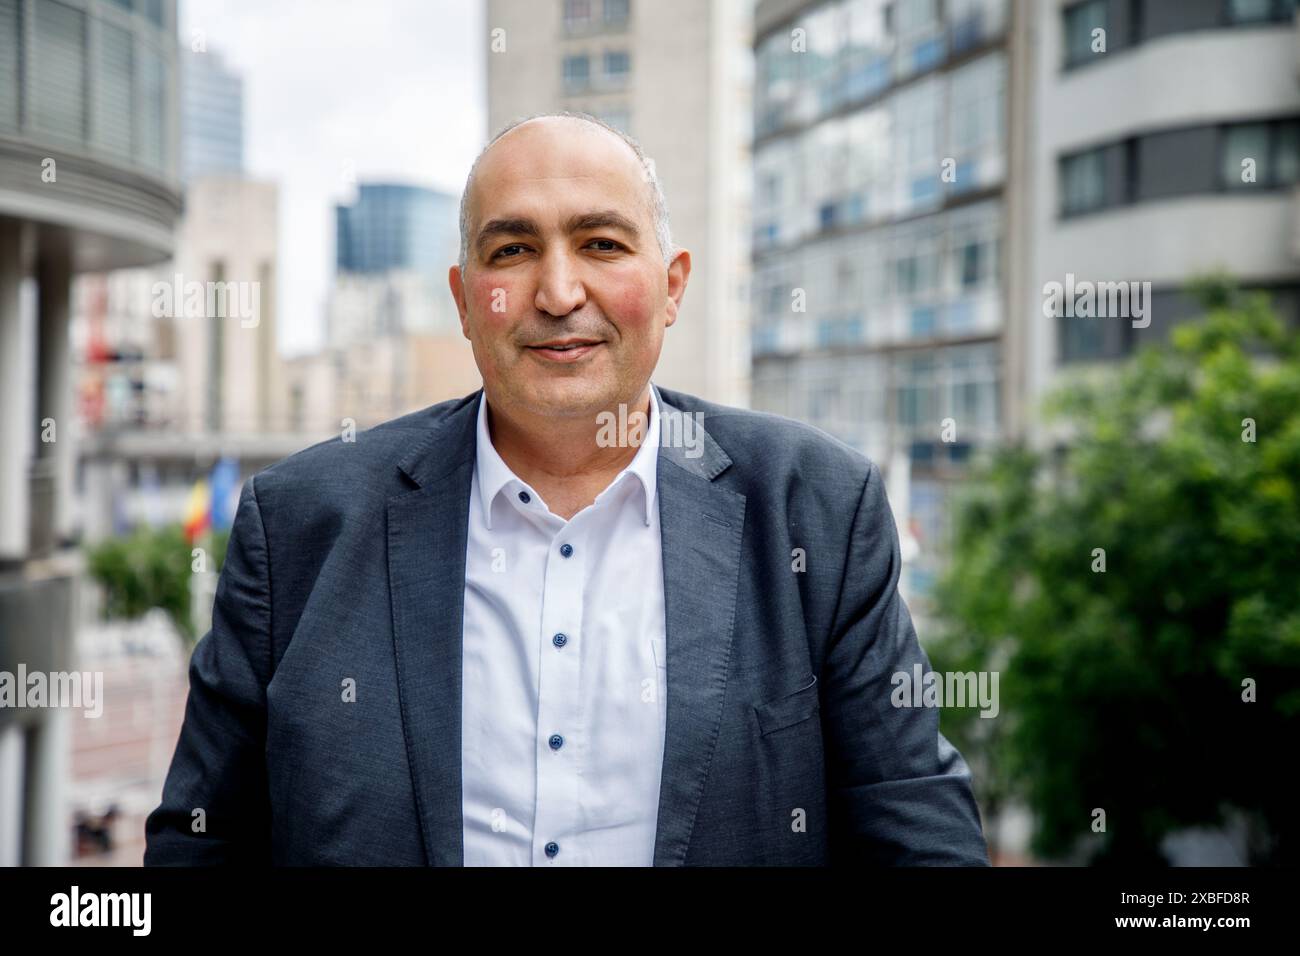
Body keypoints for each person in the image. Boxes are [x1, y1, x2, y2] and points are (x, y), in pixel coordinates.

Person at [144, 112, 989, 866]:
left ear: (672, 286)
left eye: (602, 244)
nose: (557, 292)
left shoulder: (817, 510)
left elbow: (915, 830)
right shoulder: (299, 525)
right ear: (466, 301)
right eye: (512, 250)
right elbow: (201, 842)